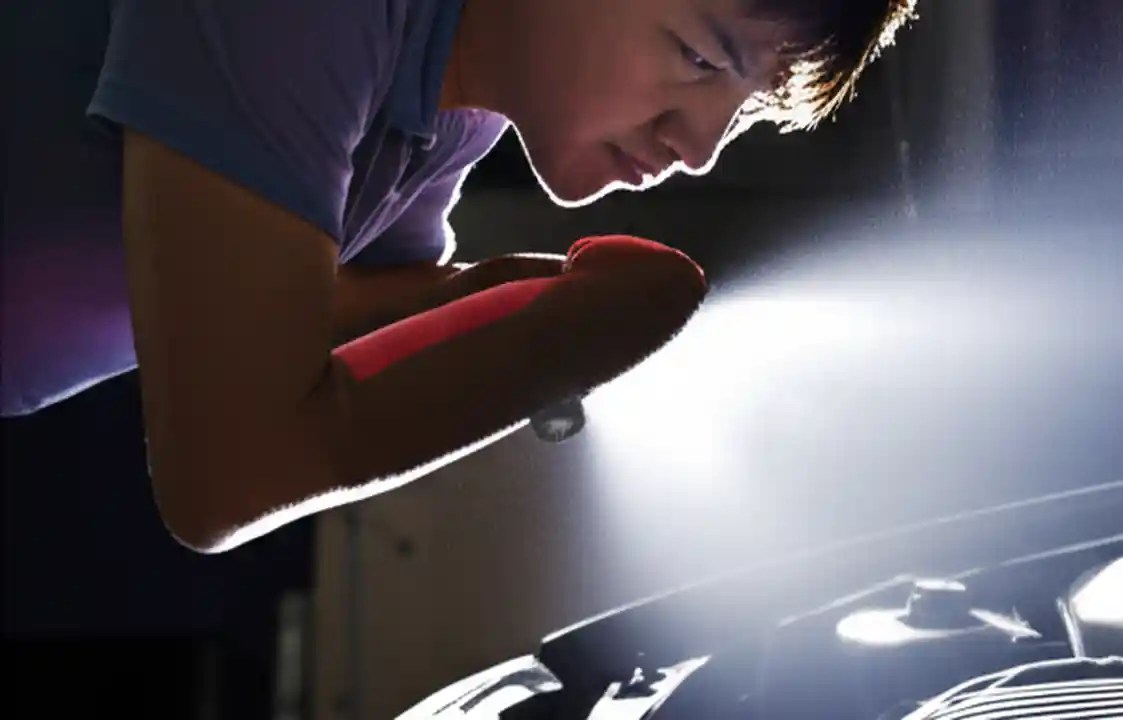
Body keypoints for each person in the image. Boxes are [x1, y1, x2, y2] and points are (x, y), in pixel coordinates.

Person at [1, 0, 916, 552]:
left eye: (749, 107)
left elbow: (321, 320)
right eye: (700, 56)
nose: (701, 145)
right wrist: (546, 342)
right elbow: (228, 474)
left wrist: (534, 311)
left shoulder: (454, 111)